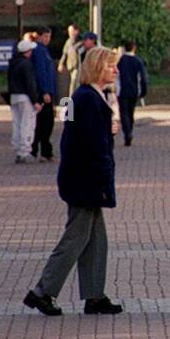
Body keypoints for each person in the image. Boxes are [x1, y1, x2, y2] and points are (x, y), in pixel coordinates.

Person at [23, 46, 124, 317]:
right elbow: (93, 144)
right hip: (86, 179)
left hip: (80, 178)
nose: (115, 70)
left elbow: (73, 135)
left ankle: (94, 295)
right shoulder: (88, 99)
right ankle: (42, 292)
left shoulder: (85, 96)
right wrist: (103, 177)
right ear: (97, 68)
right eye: (110, 66)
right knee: (76, 238)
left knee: (95, 239)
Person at [7, 40, 41, 163]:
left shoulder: (13, 63)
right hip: (25, 97)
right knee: (27, 123)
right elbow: (30, 83)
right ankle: (24, 151)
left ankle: (17, 149)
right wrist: (35, 100)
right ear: (27, 52)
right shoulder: (27, 64)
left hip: (14, 96)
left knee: (17, 123)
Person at [30, 27, 57, 162]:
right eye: (45, 36)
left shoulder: (44, 51)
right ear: (39, 36)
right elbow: (41, 72)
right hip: (44, 93)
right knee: (44, 123)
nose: (47, 39)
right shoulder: (39, 51)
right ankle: (43, 151)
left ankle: (39, 150)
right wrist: (45, 91)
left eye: (49, 36)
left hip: (49, 92)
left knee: (45, 123)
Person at [116, 41, 149, 147]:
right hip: (134, 91)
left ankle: (127, 133)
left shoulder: (121, 61)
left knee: (123, 113)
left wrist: (117, 90)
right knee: (131, 112)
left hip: (122, 91)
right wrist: (143, 91)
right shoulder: (138, 61)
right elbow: (142, 78)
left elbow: (117, 77)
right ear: (134, 48)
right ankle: (129, 130)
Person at [59, 23, 83, 94]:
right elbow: (64, 53)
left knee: (75, 82)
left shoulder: (81, 41)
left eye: (72, 31)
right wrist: (61, 64)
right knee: (73, 82)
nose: (70, 34)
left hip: (79, 65)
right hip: (71, 65)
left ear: (77, 31)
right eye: (69, 32)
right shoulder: (68, 42)